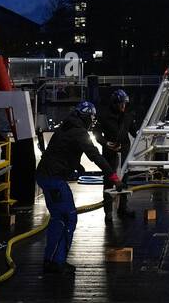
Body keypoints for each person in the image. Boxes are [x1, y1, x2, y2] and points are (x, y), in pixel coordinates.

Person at [35, 100, 117, 275]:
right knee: (66, 217)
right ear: (86, 117)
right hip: (53, 179)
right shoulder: (79, 132)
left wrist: (75, 165)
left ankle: (51, 260)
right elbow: (95, 155)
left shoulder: (66, 127)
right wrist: (113, 176)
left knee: (59, 217)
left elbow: (61, 149)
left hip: (47, 175)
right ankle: (56, 263)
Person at [97, 88, 135, 219]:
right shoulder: (104, 116)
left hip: (124, 152)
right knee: (109, 180)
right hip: (109, 153)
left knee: (124, 179)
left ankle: (123, 208)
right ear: (114, 103)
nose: (123, 106)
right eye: (121, 104)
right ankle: (108, 212)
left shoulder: (128, 116)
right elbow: (97, 134)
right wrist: (106, 143)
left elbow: (135, 132)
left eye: (125, 103)